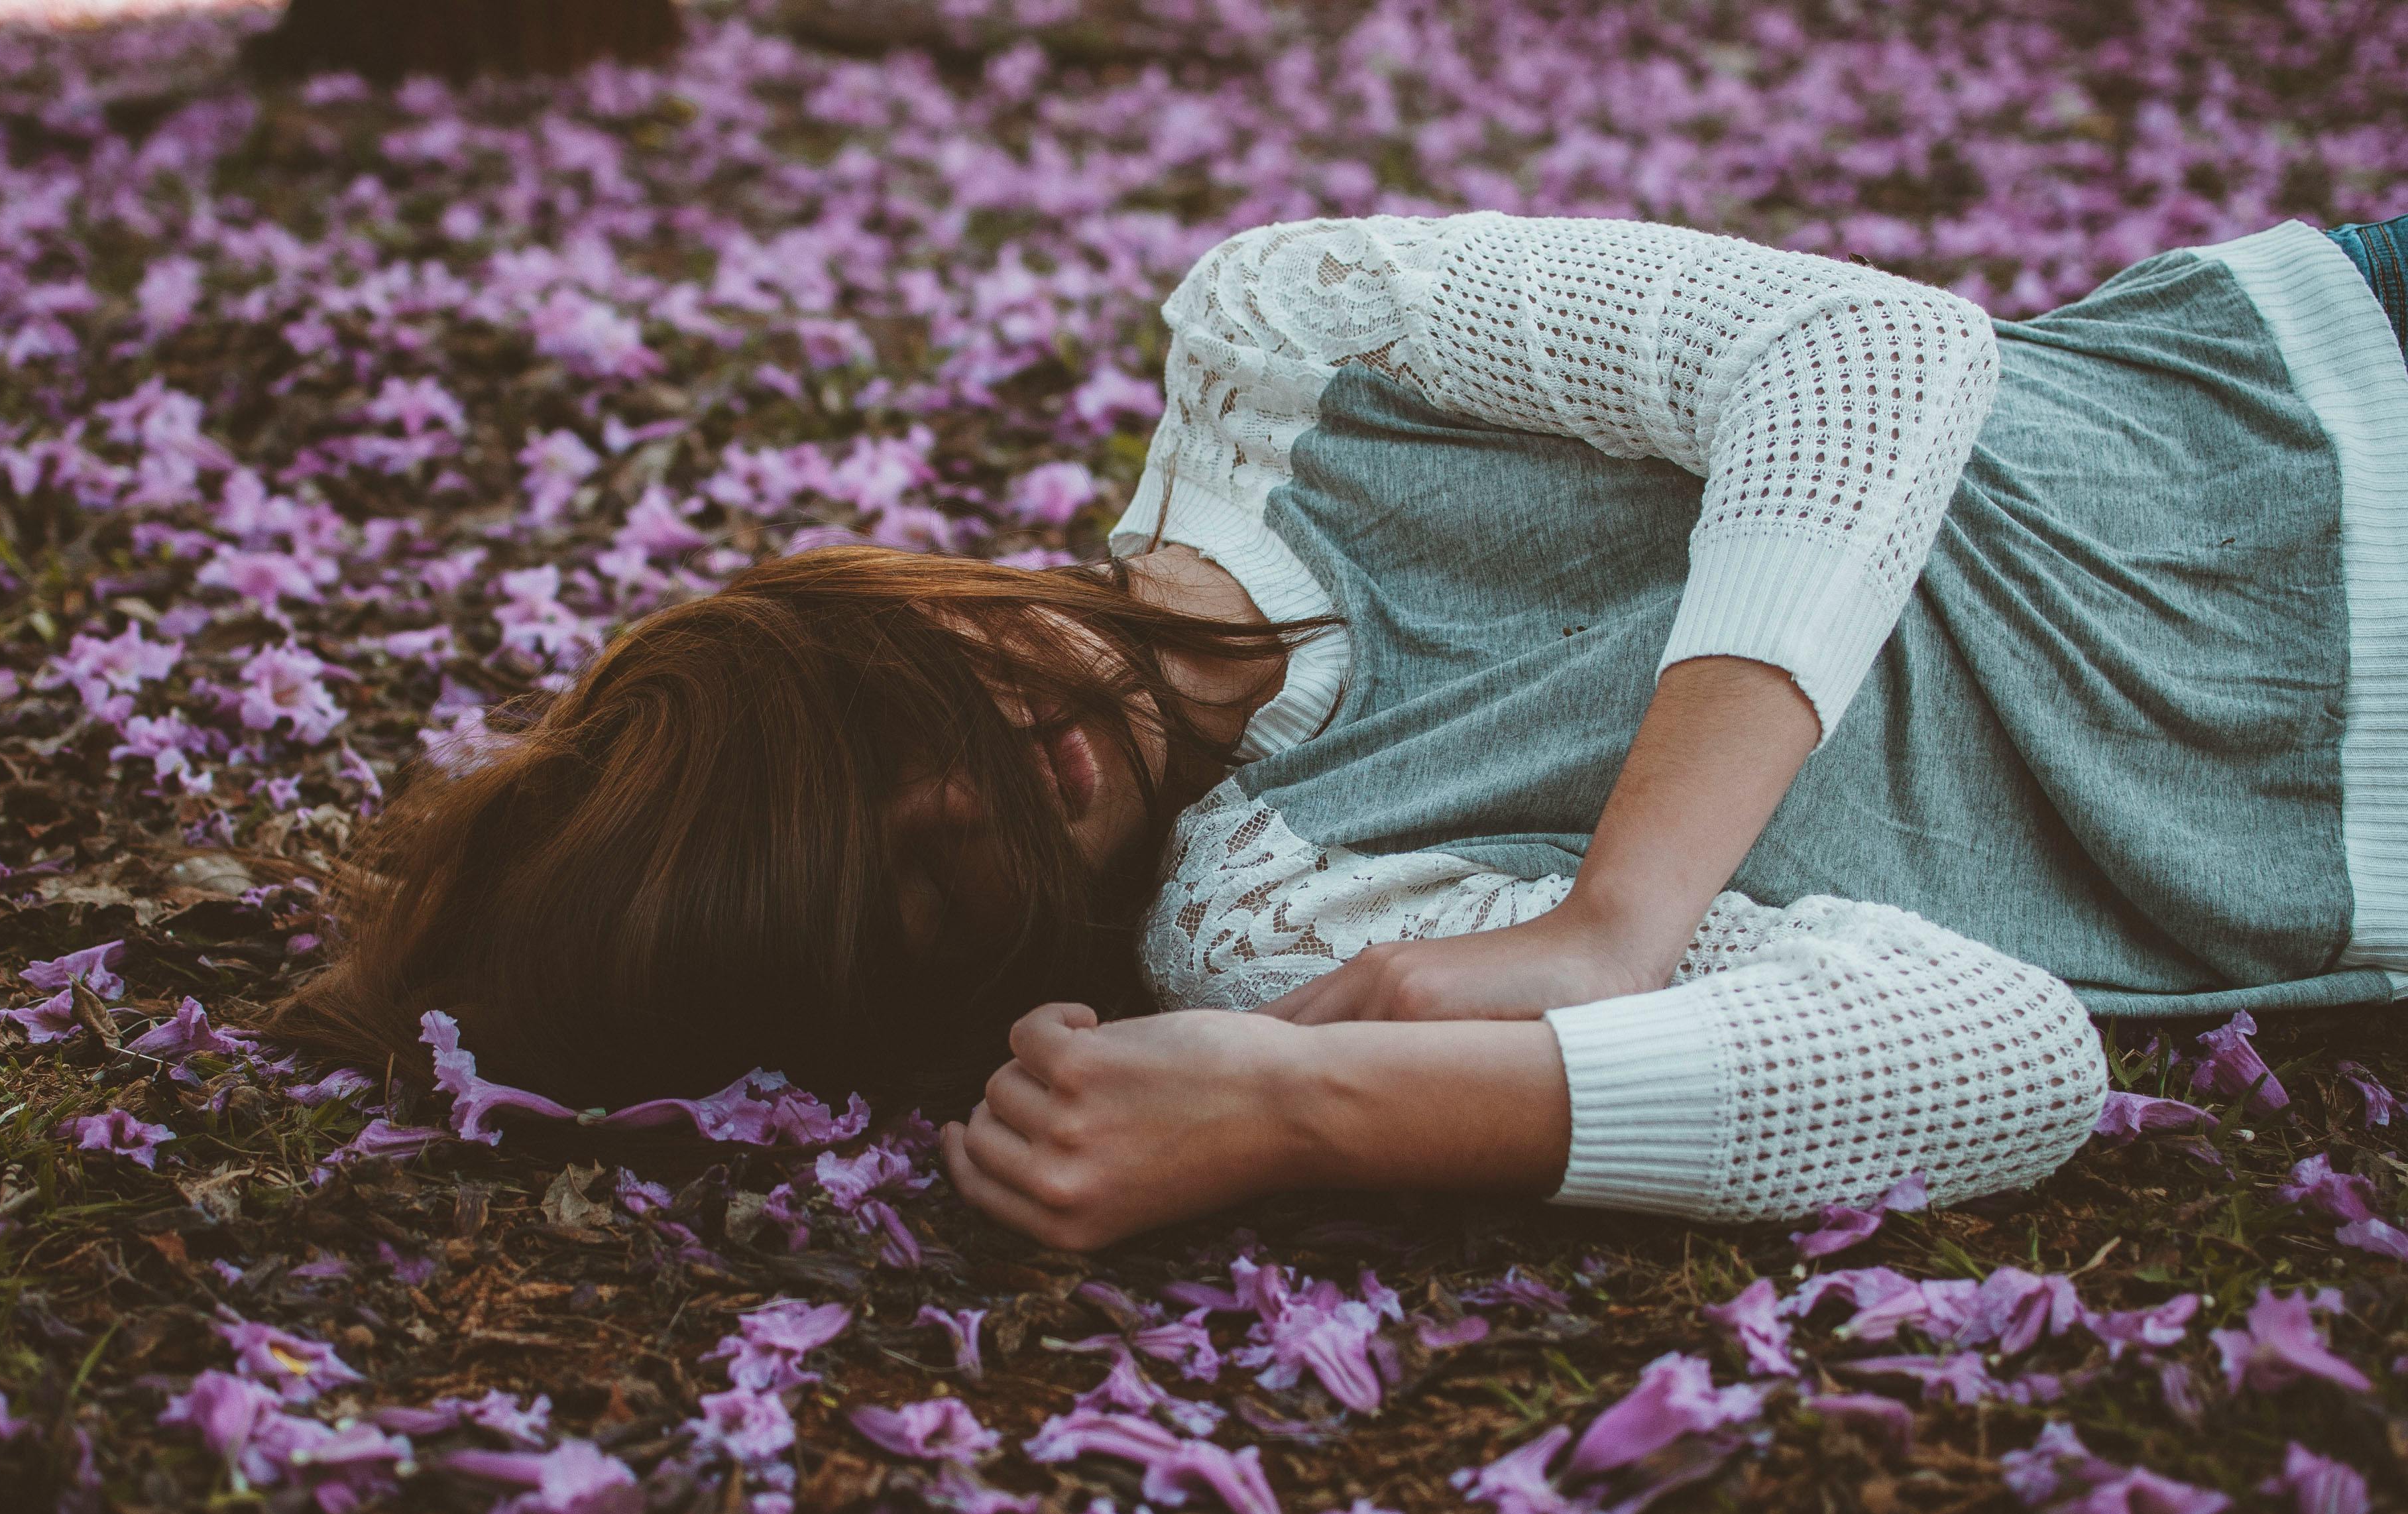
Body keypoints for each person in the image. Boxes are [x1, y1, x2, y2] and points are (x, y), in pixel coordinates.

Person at [278, 208, 2408, 1250]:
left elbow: (1864, 349)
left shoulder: (1282, 354)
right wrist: (1311, 1113)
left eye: (878, 736)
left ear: (869, 614)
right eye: (916, 883)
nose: (982, 788)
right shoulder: (1290, 927)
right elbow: (2008, 1059)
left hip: (2340, 376)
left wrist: (1616, 918)